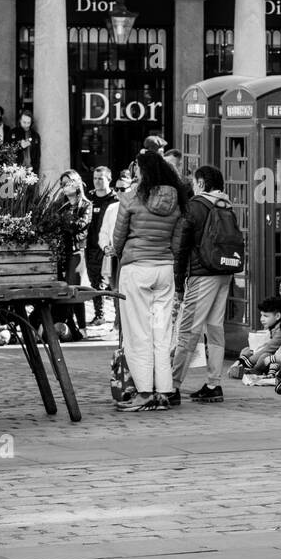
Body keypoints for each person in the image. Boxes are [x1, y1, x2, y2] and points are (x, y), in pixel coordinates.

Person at [112, 151, 183, 412]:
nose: (135, 175)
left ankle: (144, 393)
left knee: (137, 333)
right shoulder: (176, 199)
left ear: (145, 172)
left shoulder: (131, 197)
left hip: (137, 268)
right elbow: (177, 242)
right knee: (161, 334)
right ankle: (164, 392)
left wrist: (125, 257)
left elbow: (118, 238)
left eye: (137, 170)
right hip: (164, 269)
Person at [170, 165, 235, 404]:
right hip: (224, 271)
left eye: (194, 181)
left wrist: (178, 283)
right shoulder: (226, 204)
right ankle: (213, 384)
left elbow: (182, 246)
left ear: (200, 183)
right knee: (215, 329)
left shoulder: (196, 205)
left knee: (188, 330)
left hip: (202, 274)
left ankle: (173, 386)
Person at [54, 169, 95, 340]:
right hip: (60, 251)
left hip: (76, 250)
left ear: (77, 183)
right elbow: (53, 224)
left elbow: (79, 226)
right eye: (62, 184)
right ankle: (62, 323)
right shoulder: (59, 205)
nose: (65, 187)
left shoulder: (86, 205)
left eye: (68, 183)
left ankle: (82, 326)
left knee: (75, 289)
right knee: (60, 288)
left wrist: (65, 221)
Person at [84, 166, 116, 328]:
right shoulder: (89, 198)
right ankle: (99, 314)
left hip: (110, 248)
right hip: (91, 246)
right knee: (95, 282)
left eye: (100, 178)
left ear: (108, 180)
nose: (97, 181)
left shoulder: (115, 200)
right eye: (95, 178)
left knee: (113, 283)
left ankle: (118, 318)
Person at [230, 296, 281, 382]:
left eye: (265, 316)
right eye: (261, 315)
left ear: (277, 316)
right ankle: (242, 368)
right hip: (266, 353)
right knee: (246, 350)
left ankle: (253, 370)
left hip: (276, 360)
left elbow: (268, 348)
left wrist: (246, 362)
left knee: (264, 356)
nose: (262, 319)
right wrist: (241, 360)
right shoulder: (272, 326)